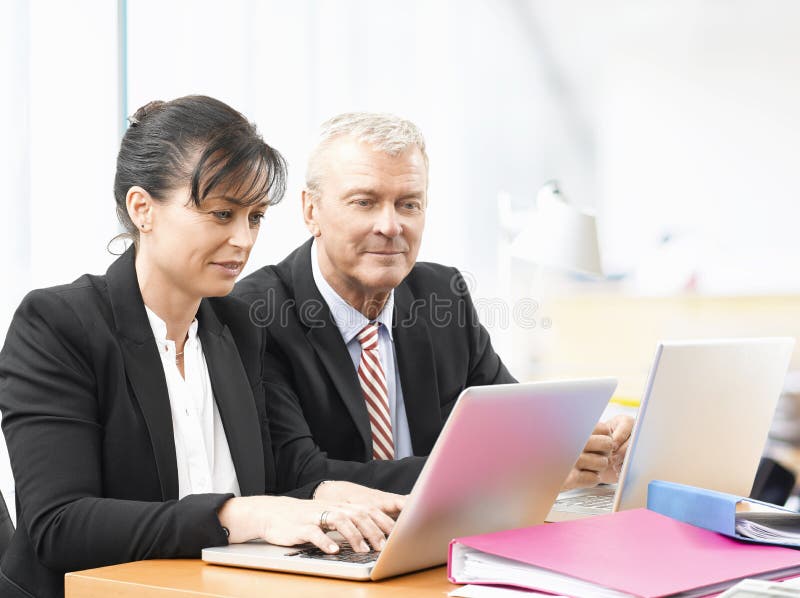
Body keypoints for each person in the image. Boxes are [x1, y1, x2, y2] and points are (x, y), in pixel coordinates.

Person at [0, 97, 402, 598]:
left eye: (254, 217)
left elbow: (280, 477)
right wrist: (237, 514)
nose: (242, 238)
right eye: (220, 213)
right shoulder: (59, 324)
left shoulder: (237, 326)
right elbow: (59, 525)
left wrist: (332, 497)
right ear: (142, 209)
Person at [234, 112, 633, 496]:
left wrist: (591, 452)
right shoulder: (256, 313)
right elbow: (302, 476)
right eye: (364, 202)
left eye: (409, 204)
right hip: (331, 550)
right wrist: (515, 468)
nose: (391, 226)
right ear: (311, 211)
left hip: (448, 537)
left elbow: (513, 424)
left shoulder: (443, 294)